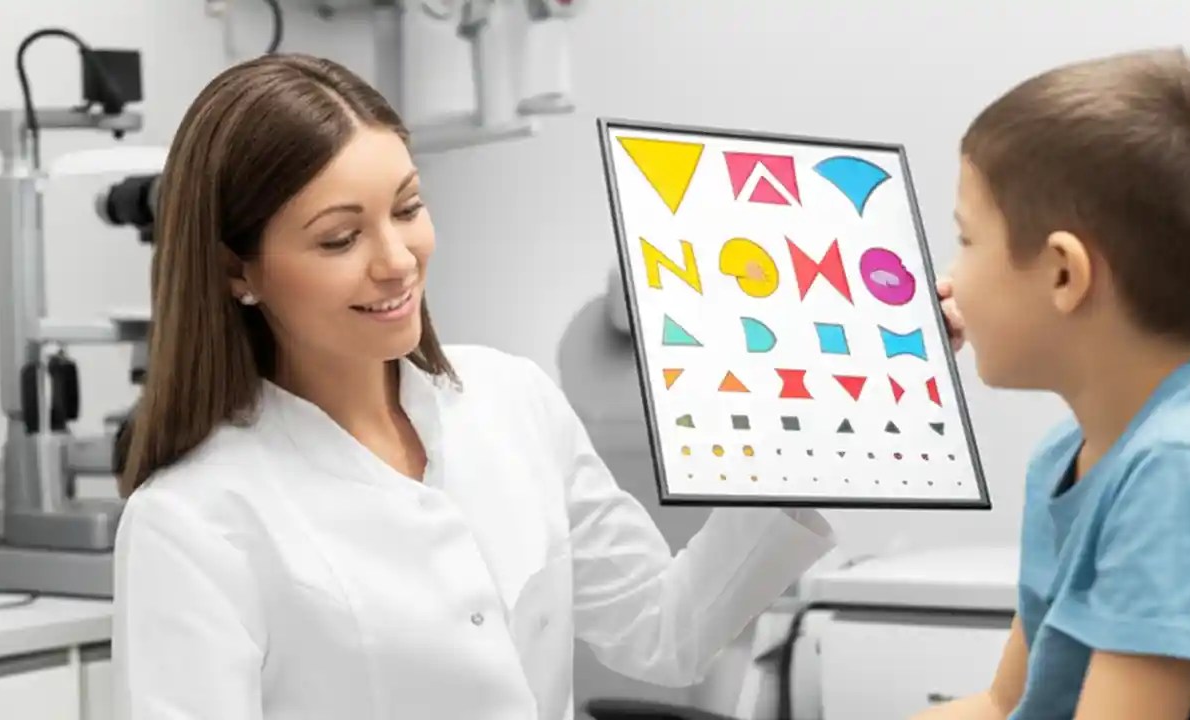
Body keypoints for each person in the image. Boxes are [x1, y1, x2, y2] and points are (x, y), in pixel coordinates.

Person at [111, 53, 850, 720]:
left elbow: (665, 633)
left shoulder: (511, 401)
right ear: (237, 271)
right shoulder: (193, 521)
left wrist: (822, 408)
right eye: (341, 238)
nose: (398, 260)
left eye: (407, 208)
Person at [917, 47, 1190, 719]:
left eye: (967, 241)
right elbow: (1003, 705)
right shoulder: (1069, 453)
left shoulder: (1181, 470)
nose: (946, 278)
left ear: (1064, 274)